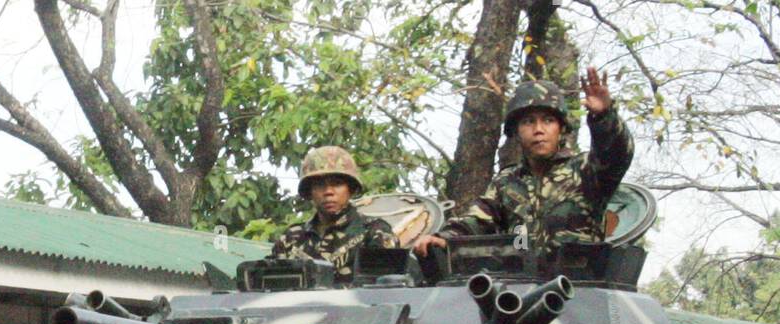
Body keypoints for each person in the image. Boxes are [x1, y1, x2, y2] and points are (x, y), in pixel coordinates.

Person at [412, 67, 634, 259]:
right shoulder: (506, 183)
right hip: (520, 290)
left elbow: (616, 153)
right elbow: (476, 221)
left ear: (561, 129)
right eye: (528, 122)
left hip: (579, 289)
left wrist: (605, 117)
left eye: (548, 120)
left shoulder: (585, 171)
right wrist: (443, 238)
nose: (538, 130)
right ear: (516, 132)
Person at [271, 146, 398, 285]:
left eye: (337, 184)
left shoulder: (374, 231)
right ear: (310, 192)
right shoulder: (291, 239)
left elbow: (386, 291)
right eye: (320, 185)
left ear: (351, 189)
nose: (328, 192)